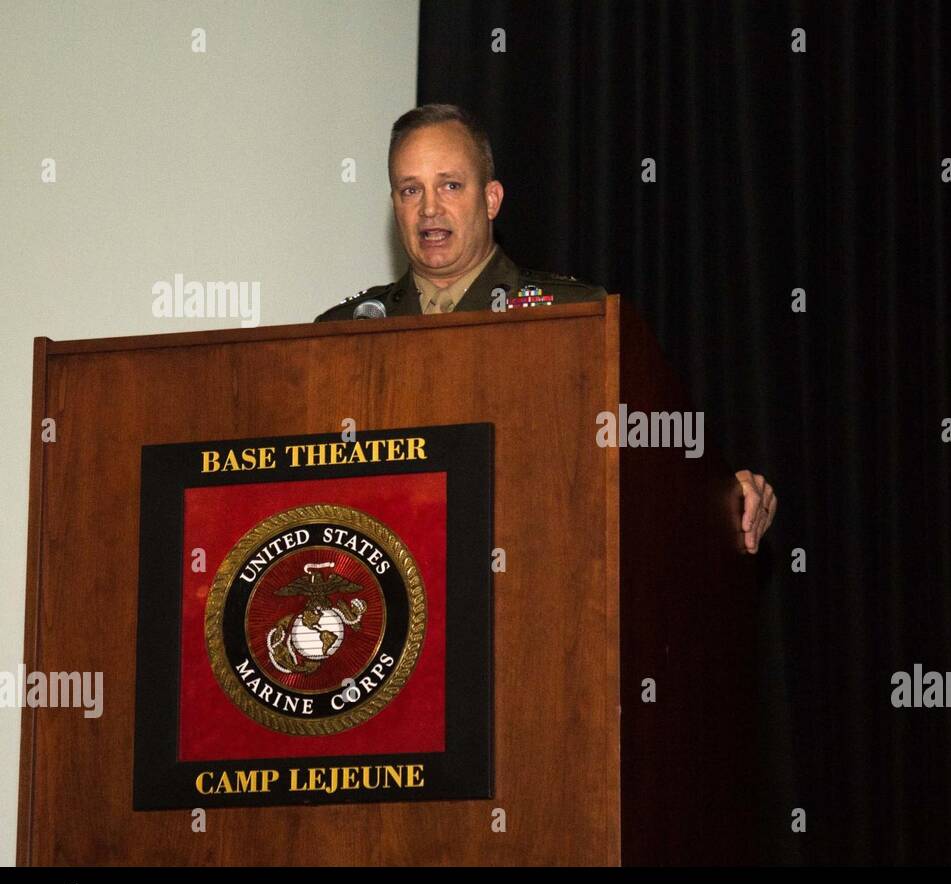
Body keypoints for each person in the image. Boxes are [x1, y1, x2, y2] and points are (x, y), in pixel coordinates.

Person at [315, 104, 776, 552]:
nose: (429, 209)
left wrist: (722, 490)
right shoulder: (342, 333)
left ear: (491, 199)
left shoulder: (574, 316)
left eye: (450, 185)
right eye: (410, 190)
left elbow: (648, 453)